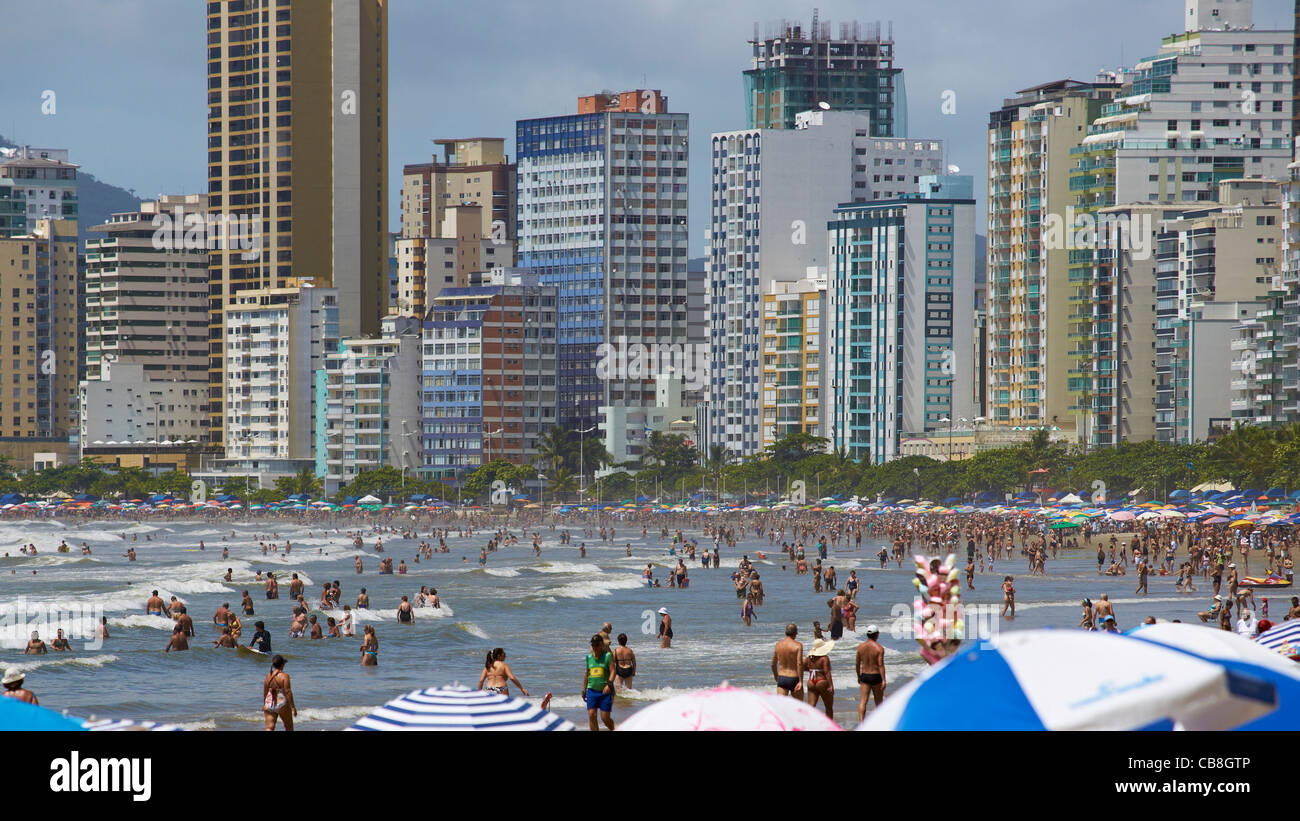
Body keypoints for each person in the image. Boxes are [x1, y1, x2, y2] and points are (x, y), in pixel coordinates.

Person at [583, 634, 615, 731]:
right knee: (592, 715)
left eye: (597, 645)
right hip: (591, 691)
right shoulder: (589, 657)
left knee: (605, 718)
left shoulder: (608, 656)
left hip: (605, 692)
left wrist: (609, 684)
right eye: (593, 645)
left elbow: (613, 671)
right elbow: (586, 674)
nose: (594, 647)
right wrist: (584, 690)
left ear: (601, 644)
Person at [855, 626, 886, 722]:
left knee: (863, 701)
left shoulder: (860, 647)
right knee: (879, 702)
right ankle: (880, 723)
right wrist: (884, 680)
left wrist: (858, 676)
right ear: (876, 634)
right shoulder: (879, 648)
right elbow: (880, 664)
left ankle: (861, 724)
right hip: (876, 676)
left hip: (865, 675)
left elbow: (857, 663)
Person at [262, 655, 296, 731]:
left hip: (269, 702)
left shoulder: (268, 676)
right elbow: (288, 691)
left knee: (269, 727)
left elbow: (265, 692)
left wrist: (264, 704)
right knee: (289, 728)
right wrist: (293, 707)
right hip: (281, 702)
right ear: (282, 664)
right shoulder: (285, 676)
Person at [804, 637, 835, 719]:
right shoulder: (824, 658)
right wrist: (831, 685)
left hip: (811, 681)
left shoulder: (808, 658)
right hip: (822, 681)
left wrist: (811, 670)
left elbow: (802, 667)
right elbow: (827, 672)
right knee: (828, 707)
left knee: (811, 707)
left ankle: (808, 725)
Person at [771, 623, 803, 697]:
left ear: (786, 632)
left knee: (781, 706)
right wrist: (801, 681)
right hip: (794, 677)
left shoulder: (778, 645)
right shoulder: (798, 645)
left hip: (782, 677)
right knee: (798, 706)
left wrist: (776, 676)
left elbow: (773, 664)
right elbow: (799, 664)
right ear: (795, 633)